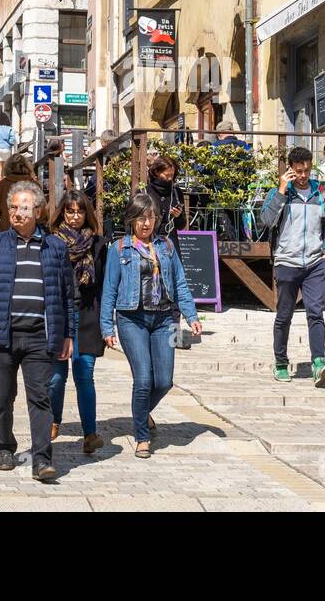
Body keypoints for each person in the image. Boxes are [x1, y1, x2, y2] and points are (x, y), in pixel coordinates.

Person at [0, 181, 75, 482]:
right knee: (2, 395)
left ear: (38, 211)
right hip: (4, 333)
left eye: (23, 207)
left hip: (40, 336)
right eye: (12, 207)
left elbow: (69, 296)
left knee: (40, 397)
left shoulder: (55, 247)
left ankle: (42, 459)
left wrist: (69, 334)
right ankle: (5, 447)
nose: (16, 213)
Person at [100, 192, 203, 458]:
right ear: (131, 220)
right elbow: (109, 289)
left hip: (165, 319)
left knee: (165, 381)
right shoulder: (120, 248)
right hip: (131, 318)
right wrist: (106, 327)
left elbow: (180, 282)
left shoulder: (166, 246)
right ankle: (142, 436)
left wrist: (192, 316)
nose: (146, 223)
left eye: (151, 217)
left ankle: (141, 412)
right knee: (144, 379)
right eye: (141, 218)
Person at [259, 146, 325, 386]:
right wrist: (282, 191)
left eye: (307, 170)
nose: (303, 175)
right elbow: (266, 221)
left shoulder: (322, 193)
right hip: (287, 261)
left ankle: (319, 362)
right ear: (291, 169)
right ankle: (281, 362)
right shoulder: (279, 192)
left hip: (315, 262)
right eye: (299, 171)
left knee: (316, 312)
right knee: (284, 315)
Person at [49, 190, 107, 454]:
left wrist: (107, 321)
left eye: (79, 211)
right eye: (70, 211)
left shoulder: (97, 244)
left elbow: (104, 284)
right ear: (62, 212)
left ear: (87, 214)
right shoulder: (51, 242)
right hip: (58, 314)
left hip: (86, 313)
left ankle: (90, 433)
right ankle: (53, 420)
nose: (74, 217)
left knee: (85, 375)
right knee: (56, 378)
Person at [144, 155, 187, 244]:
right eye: (167, 175)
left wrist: (178, 216)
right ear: (156, 172)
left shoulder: (176, 192)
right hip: (148, 243)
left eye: (172, 175)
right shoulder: (144, 192)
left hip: (170, 243)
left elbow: (181, 225)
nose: (170, 178)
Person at [0, 154, 35, 232]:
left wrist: (6, 216)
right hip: (29, 231)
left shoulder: (2, 184)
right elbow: (42, 212)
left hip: (6, 229)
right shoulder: (34, 184)